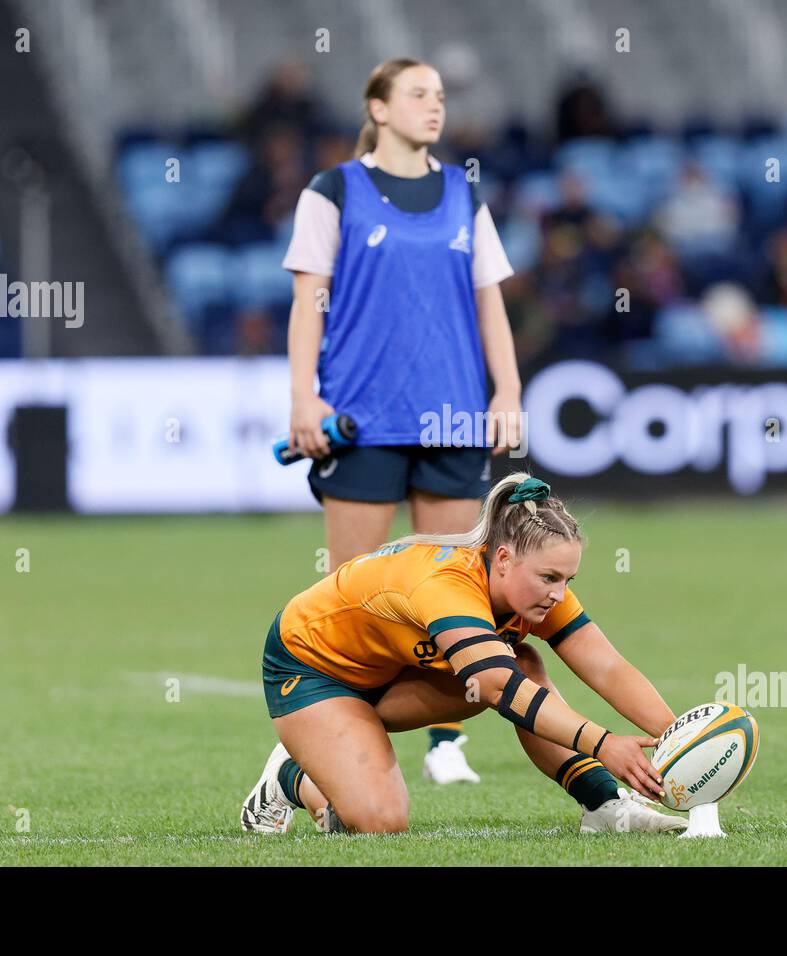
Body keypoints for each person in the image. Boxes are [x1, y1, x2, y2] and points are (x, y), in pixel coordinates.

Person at [280, 58, 524, 784]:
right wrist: (303, 398)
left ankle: (445, 744)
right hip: (362, 417)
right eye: (418, 94)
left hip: (451, 417)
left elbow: (490, 304)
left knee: (454, 586)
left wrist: (506, 388)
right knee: (350, 595)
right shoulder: (333, 190)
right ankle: (323, 745)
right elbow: (307, 301)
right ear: (378, 108)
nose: (434, 106)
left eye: (441, 96)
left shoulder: (462, 191)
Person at [241, 474, 687, 835]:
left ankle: (603, 804)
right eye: (550, 577)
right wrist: (603, 743)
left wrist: (681, 737)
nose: (559, 593)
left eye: (568, 579)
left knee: (523, 662)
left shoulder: (536, 590)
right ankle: (290, 777)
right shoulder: (448, 585)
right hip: (311, 669)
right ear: (505, 558)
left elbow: (607, 666)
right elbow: (495, 685)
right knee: (380, 821)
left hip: (392, 671)